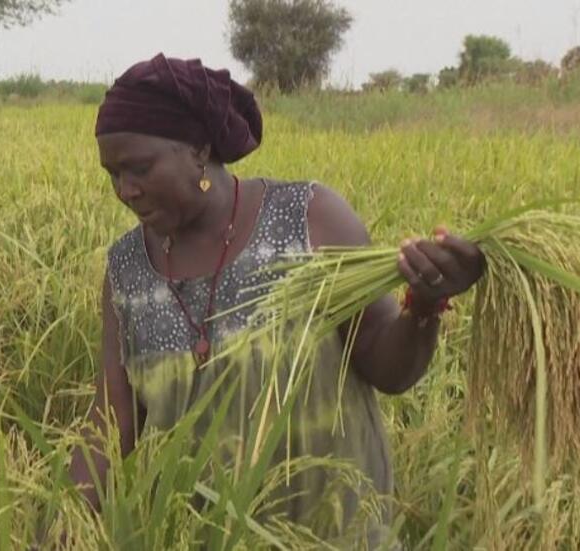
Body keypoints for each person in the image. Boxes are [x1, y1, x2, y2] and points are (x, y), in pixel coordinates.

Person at [66, 53, 485, 546]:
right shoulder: (126, 271)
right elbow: (111, 425)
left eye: (138, 167)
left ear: (199, 148)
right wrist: (59, 527)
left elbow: (388, 369)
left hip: (335, 536)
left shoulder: (308, 220)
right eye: (112, 174)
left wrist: (424, 306)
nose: (125, 190)